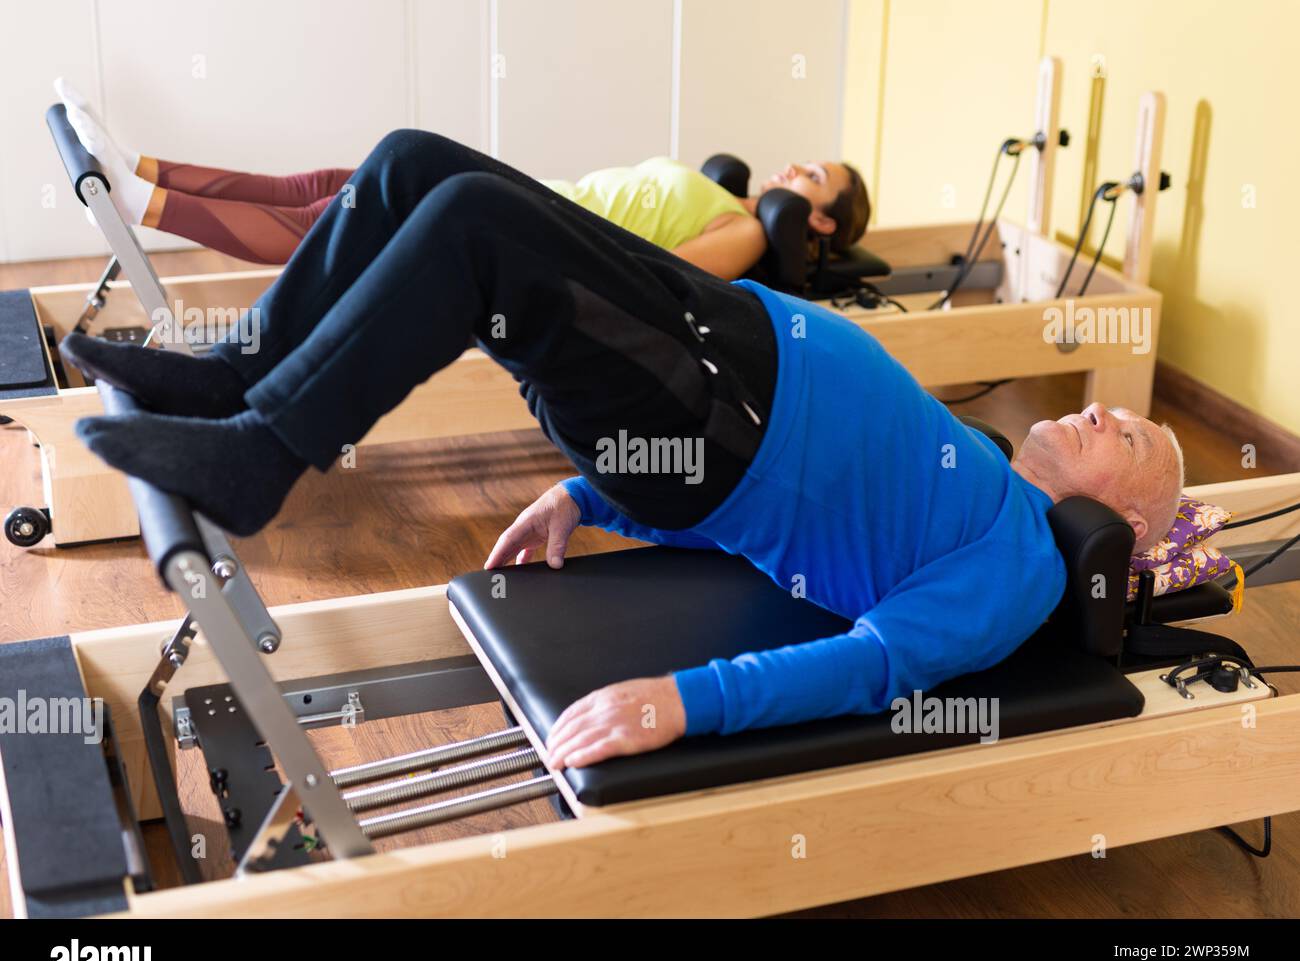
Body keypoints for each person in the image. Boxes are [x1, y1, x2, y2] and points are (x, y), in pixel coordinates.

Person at [63, 129, 1183, 772]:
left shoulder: (1020, 563)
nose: (1097, 416)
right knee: (413, 167)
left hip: (714, 417)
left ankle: (267, 448)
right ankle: (236, 374)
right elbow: (806, 530)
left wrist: (685, 703)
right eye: (1113, 411)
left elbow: (883, 665)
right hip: (717, 346)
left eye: (1121, 435)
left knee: (469, 231)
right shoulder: (986, 468)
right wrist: (587, 495)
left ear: (1124, 525)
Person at [54, 78, 869, 276]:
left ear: (820, 223)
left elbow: (659, 274)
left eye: (815, 178)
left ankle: (143, 204)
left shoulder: (748, 230)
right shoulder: (727, 191)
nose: (796, 167)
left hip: (532, 229)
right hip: (535, 193)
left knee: (338, 221)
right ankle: (142, 172)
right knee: (332, 182)